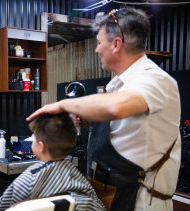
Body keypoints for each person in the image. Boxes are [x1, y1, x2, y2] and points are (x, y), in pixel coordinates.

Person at [27, 8, 181, 211]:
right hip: (110, 196)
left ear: (116, 44)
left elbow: (116, 107)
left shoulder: (154, 79)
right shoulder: (117, 84)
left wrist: (61, 104)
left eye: (99, 43)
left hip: (139, 202)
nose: (96, 49)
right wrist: (93, 123)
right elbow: (125, 125)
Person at [0, 112, 105, 211]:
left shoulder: (29, 179)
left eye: (34, 138)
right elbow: (97, 206)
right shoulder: (78, 178)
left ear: (41, 146)